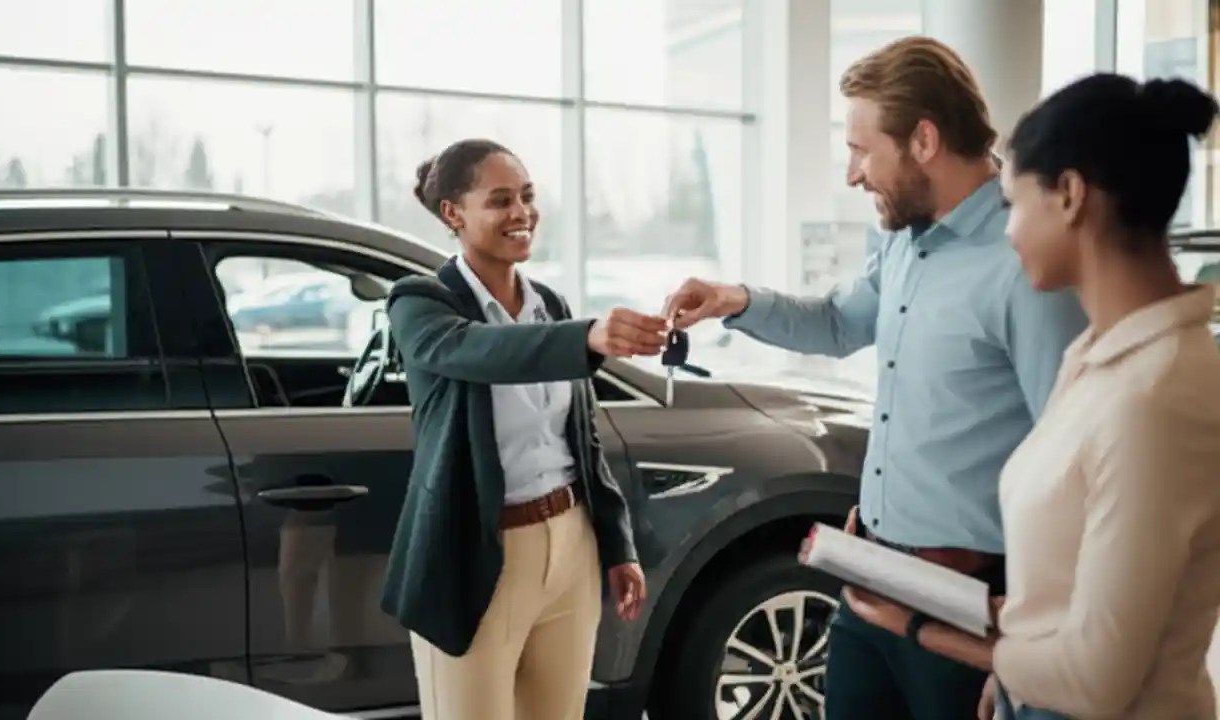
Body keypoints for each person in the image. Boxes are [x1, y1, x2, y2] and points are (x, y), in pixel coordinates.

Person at [662, 36, 1089, 719]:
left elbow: (1074, 470)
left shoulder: (1025, 262)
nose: (853, 173)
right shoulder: (902, 240)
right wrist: (734, 300)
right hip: (871, 577)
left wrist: (1027, 656)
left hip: (971, 604)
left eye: (862, 150)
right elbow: (838, 322)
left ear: (923, 139)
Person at [844, 73, 1220, 720]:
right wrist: (943, 606)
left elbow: (1096, 678)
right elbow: (1063, 597)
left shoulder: (1154, 397)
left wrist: (920, 630)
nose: (1007, 231)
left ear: (1070, 196)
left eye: (1014, 203)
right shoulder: (1096, 358)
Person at [380, 138, 659, 720]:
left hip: (569, 548)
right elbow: (475, 350)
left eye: (528, 197)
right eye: (500, 200)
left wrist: (615, 543)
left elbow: (580, 440)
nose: (522, 214)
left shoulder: (548, 305)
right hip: (477, 553)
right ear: (453, 214)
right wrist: (586, 338)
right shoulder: (419, 303)